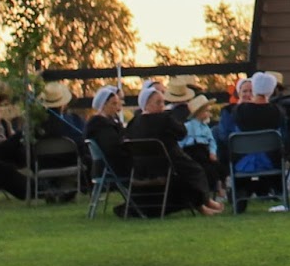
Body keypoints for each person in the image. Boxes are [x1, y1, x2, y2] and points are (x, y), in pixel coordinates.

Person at [124, 81, 223, 215]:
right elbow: (182, 133)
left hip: (141, 170)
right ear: (146, 104)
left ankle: (203, 205)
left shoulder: (133, 123)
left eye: (162, 102)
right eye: (158, 103)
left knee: (186, 171)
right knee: (194, 170)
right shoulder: (165, 118)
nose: (162, 106)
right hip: (168, 164)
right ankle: (205, 201)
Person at [230, 70, 288, 211]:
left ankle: (242, 190)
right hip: (271, 160)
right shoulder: (278, 112)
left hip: (243, 161)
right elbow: (285, 138)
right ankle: (276, 189)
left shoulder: (239, 111)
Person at [179, 94, 227, 196]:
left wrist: (212, 152)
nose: (209, 113)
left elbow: (212, 141)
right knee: (202, 167)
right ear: (199, 113)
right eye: (206, 111)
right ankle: (212, 187)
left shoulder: (206, 128)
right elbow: (181, 142)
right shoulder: (187, 126)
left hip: (204, 151)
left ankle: (219, 184)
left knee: (218, 166)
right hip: (192, 151)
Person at [84, 85, 129, 178]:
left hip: (108, 164)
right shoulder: (99, 124)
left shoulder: (108, 121)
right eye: (113, 104)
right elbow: (111, 147)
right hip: (109, 167)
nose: (117, 107)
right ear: (103, 104)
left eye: (117, 103)